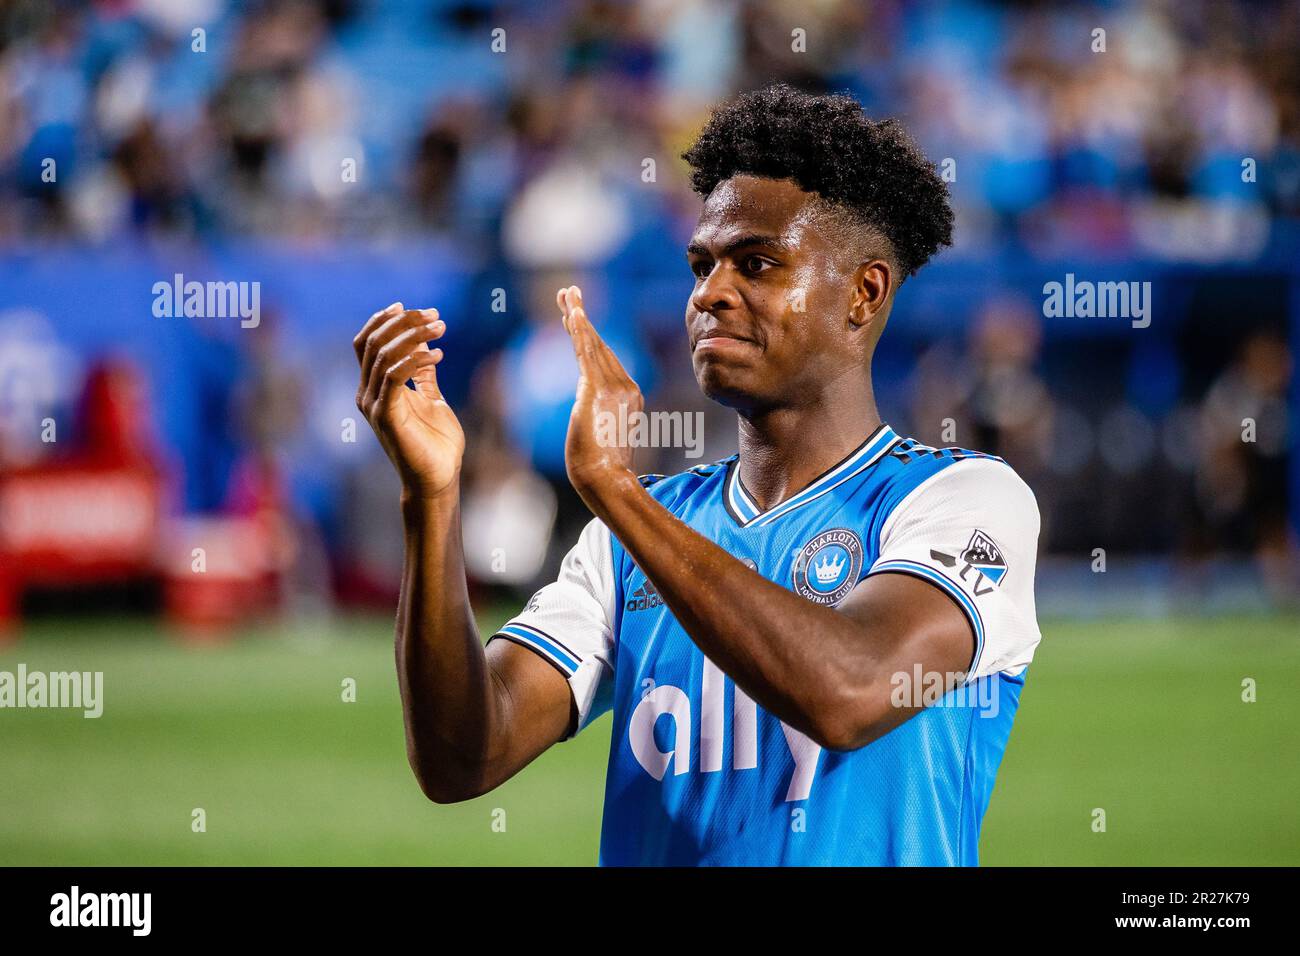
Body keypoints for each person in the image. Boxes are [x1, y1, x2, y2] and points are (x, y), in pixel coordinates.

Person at [353, 84, 1042, 865]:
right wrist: (431, 496)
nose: (712, 292)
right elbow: (459, 759)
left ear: (864, 292)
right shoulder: (628, 543)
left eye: (757, 264)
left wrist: (613, 492)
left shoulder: (962, 499)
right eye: (702, 264)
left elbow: (850, 691)